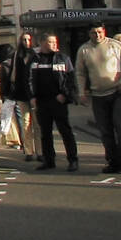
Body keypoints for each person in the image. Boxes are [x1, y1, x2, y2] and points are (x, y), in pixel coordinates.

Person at [75, 25, 121, 174]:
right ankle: (113, 161)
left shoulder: (114, 45)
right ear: (89, 33)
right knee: (105, 130)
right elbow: (80, 72)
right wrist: (81, 92)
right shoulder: (84, 50)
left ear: (104, 32)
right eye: (93, 32)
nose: (97, 35)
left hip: (118, 92)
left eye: (99, 32)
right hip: (98, 95)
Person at [30, 33, 79, 171]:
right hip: (42, 101)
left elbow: (70, 78)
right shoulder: (35, 60)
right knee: (45, 133)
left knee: (65, 131)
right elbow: (28, 79)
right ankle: (48, 160)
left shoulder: (63, 58)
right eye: (50, 42)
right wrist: (32, 97)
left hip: (59, 101)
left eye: (55, 41)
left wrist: (65, 94)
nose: (54, 44)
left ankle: (73, 160)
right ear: (42, 43)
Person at [1, 33, 37, 161]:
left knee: (37, 124)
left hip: (35, 93)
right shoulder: (18, 55)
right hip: (21, 92)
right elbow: (14, 74)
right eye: (24, 39)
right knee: (26, 122)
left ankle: (41, 151)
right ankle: (28, 151)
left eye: (28, 39)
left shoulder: (35, 55)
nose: (26, 42)